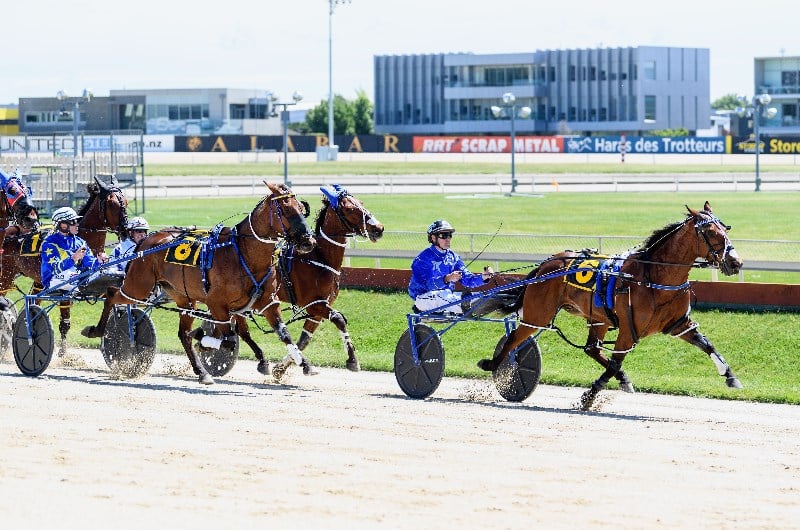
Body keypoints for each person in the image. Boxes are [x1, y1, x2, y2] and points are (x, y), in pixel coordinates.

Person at [408, 219, 495, 314]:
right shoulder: (422, 259)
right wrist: (447, 279)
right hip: (423, 300)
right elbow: (428, 285)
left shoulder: (453, 257)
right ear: (433, 238)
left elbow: (468, 280)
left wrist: (484, 277)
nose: (448, 239)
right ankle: (468, 307)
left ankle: (485, 302)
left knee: (480, 295)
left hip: (446, 298)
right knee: (441, 294)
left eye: (449, 235)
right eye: (443, 236)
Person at [40, 206, 112, 294]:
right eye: (73, 222)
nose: (77, 224)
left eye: (77, 221)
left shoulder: (80, 242)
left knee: (107, 273)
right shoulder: (49, 243)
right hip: (53, 280)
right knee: (77, 276)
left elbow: (89, 263)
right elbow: (54, 269)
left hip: (76, 277)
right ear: (63, 225)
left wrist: (99, 261)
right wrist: (73, 258)